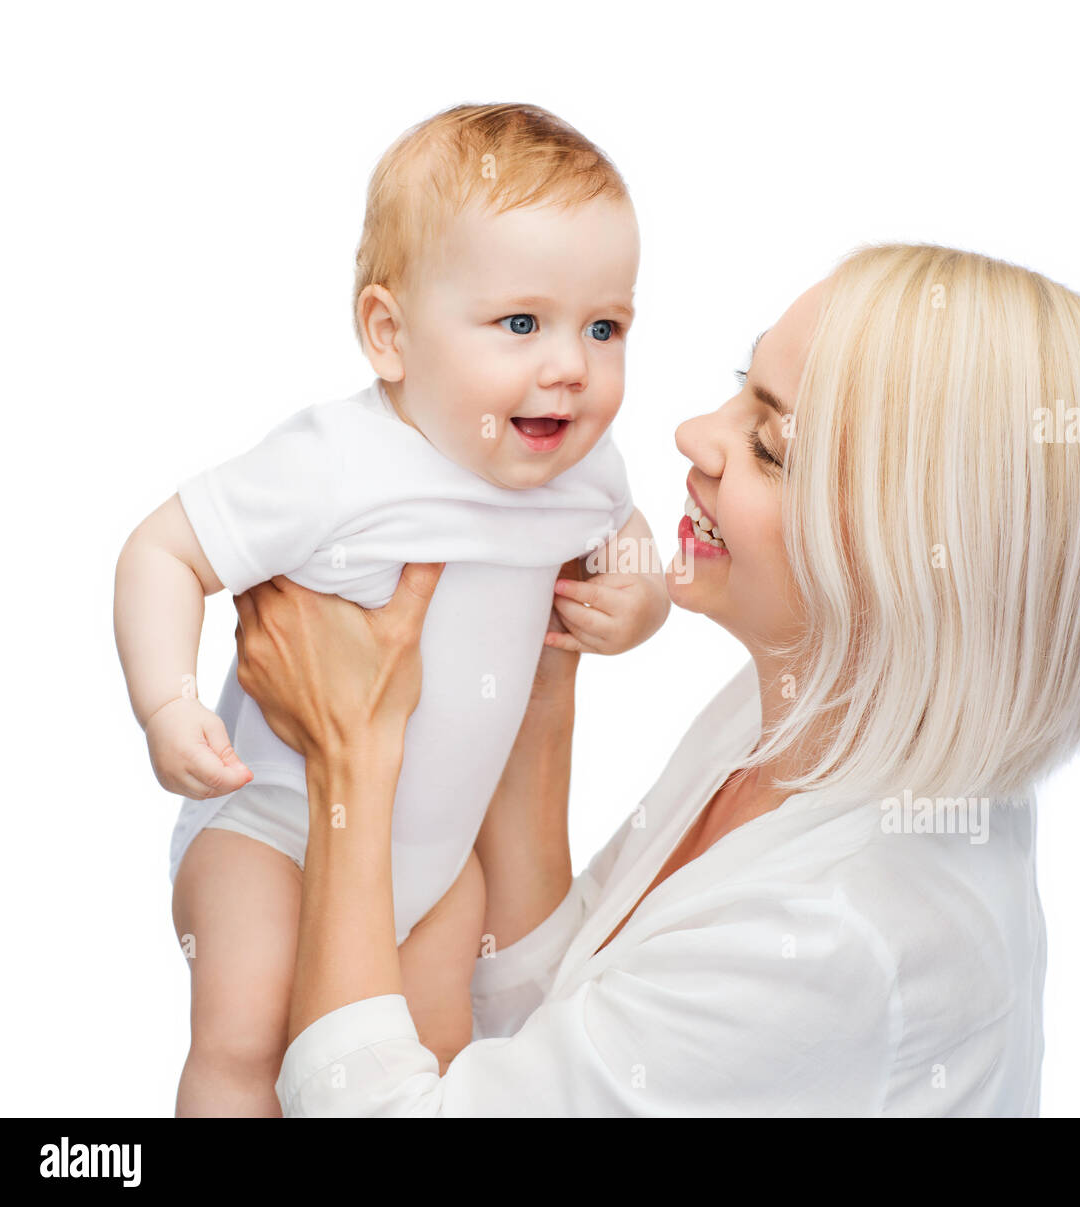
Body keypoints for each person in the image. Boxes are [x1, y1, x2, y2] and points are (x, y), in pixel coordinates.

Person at [231, 242, 1080, 1116]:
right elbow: (563, 1013)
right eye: (739, 389)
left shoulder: (841, 934)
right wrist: (541, 668)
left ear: (911, 569)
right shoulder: (829, 709)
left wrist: (351, 754)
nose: (692, 436)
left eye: (770, 448)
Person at [112, 103, 668, 1116]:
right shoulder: (338, 465)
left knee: (430, 1062)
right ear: (389, 335)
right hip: (274, 829)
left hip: (438, 861)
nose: (570, 365)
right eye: (520, 324)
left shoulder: (582, 472)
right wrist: (165, 702)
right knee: (245, 1040)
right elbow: (162, 548)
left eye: (605, 326)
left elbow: (632, 545)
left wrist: (638, 607)